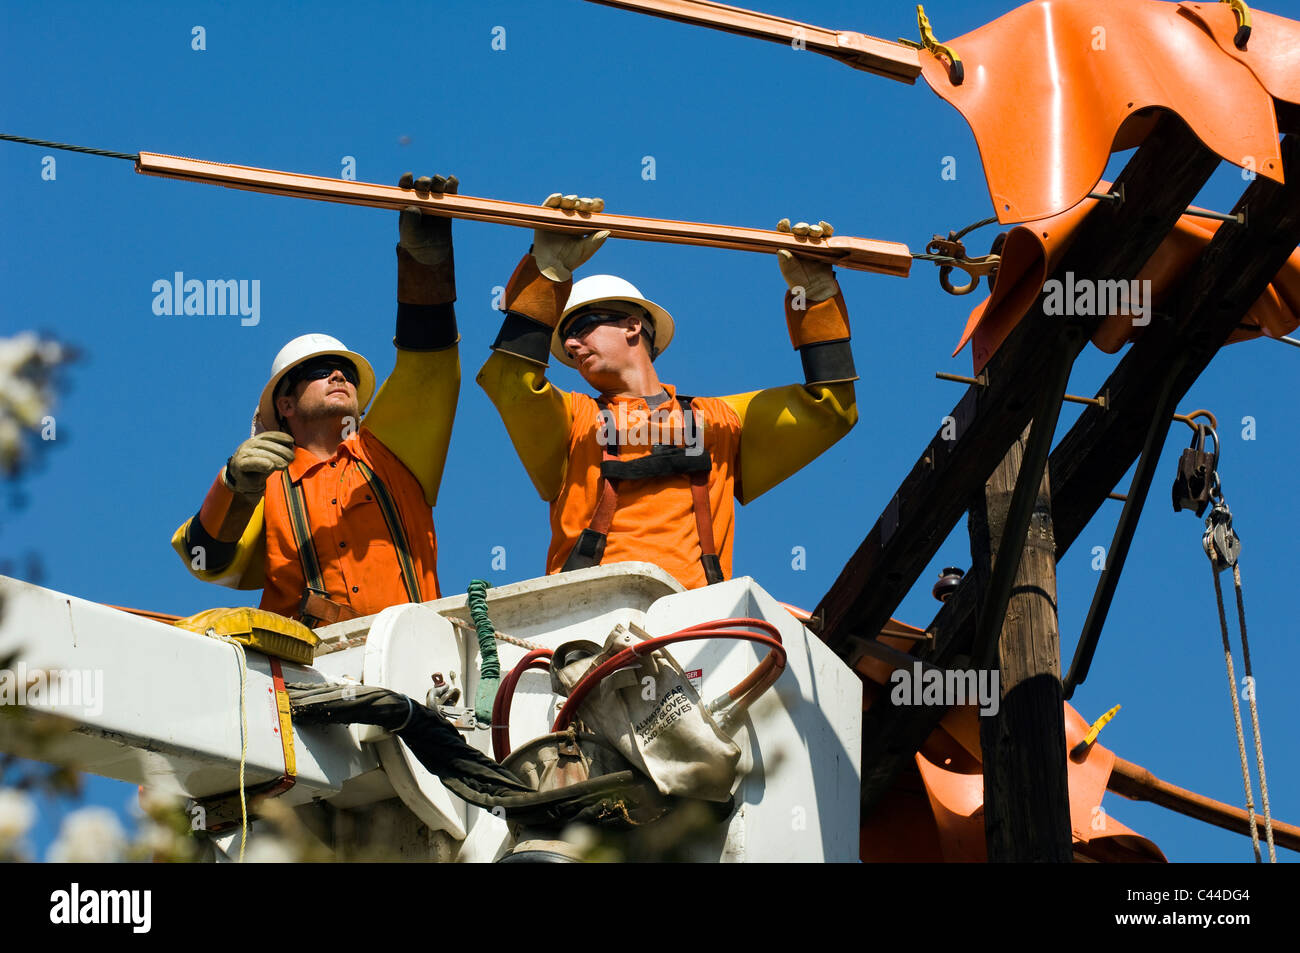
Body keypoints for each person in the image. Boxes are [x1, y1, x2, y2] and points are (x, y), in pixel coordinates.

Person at [477, 193, 859, 589]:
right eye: (566, 338)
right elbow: (510, 382)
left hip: (691, 626)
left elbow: (831, 411)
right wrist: (547, 275)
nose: (571, 346)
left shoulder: (717, 421)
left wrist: (817, 300)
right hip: (586, 622)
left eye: (582, 327)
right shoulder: (573, 422)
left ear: (632, 326)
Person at [172, 174, 462, 626]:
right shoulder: (264, 484)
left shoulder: (395, 455)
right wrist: (234, 484)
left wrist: (425, 261)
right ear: (284, 405)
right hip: (304, 676)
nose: (338, 374)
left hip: (411, 661)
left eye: (345, 370)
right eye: (317, 372)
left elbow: (430, 368)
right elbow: (205, 562)